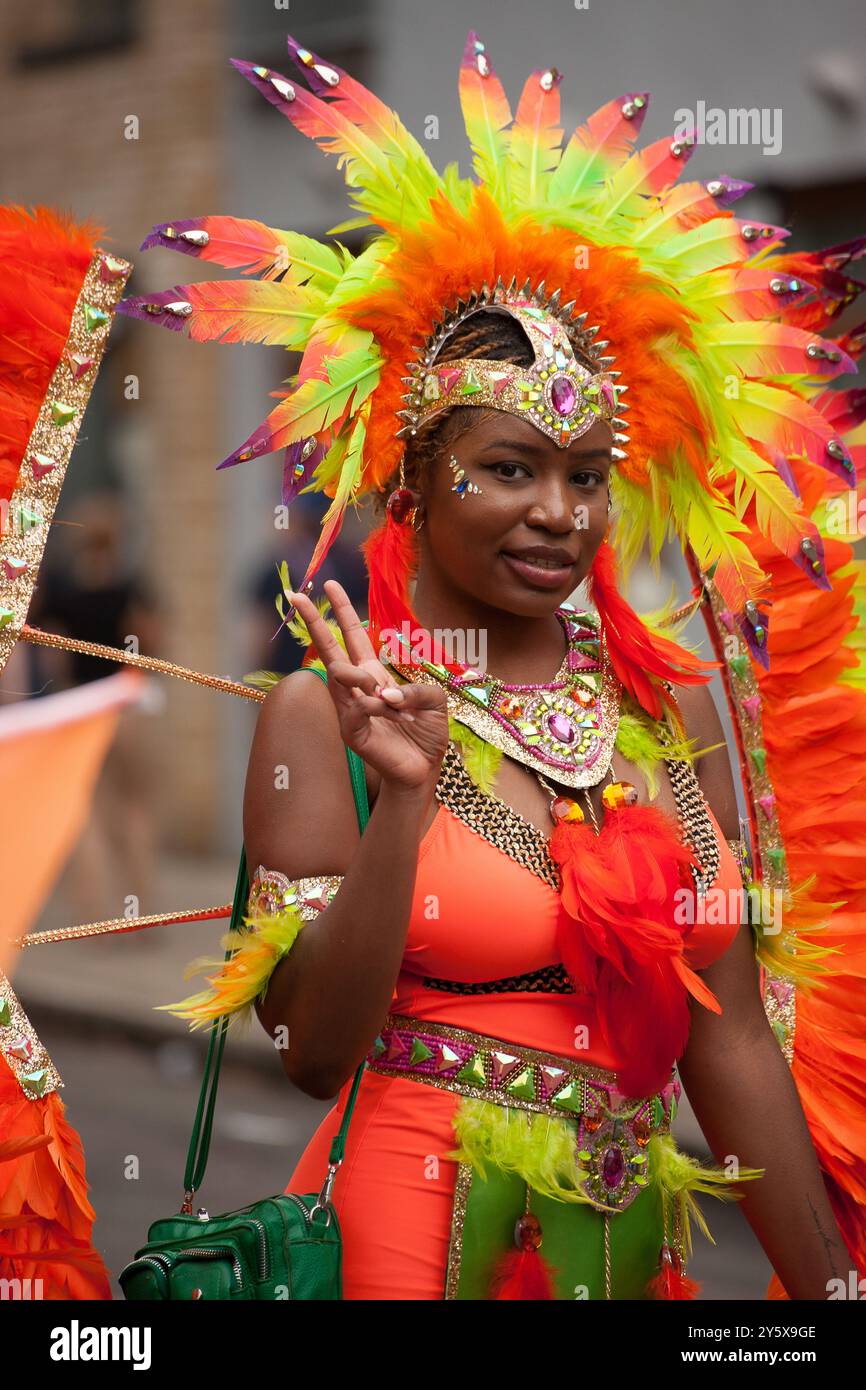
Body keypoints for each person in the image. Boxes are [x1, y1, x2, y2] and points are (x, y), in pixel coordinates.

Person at [118, 29, 866, 1300]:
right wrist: (403, 798)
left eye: (584, 478)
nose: (556, 515)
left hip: (624, 1253)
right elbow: (306, 1047)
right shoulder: (324, 713)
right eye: (507, 469)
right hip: (405, 1243)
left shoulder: (671, 705)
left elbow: (728, 1034)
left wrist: (834, 1293)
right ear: (415, 480)